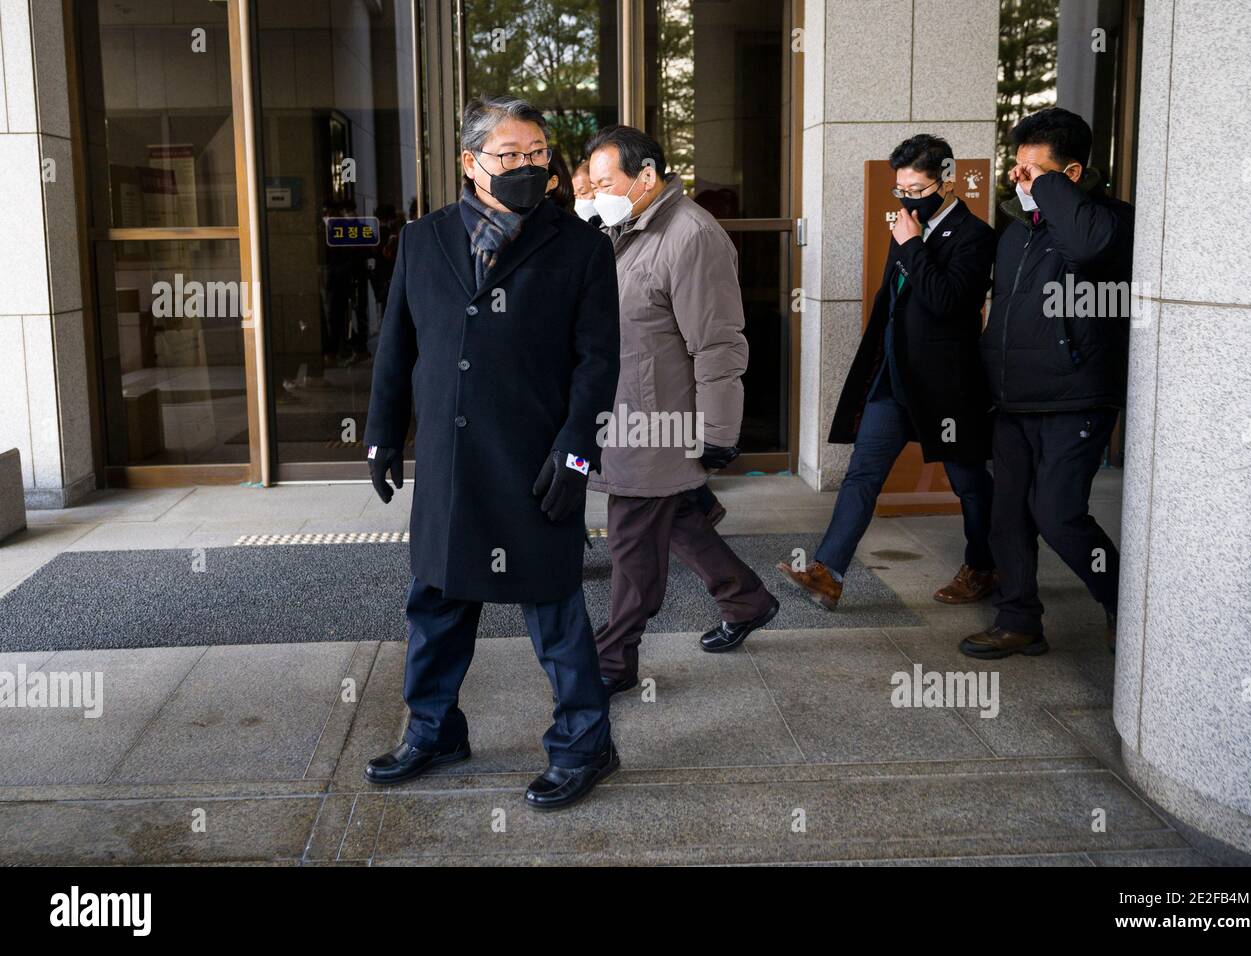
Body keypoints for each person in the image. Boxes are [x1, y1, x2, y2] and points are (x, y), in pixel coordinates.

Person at [363, 96, 622, 810]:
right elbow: (398, 348)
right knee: (437, 602)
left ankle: (585, 743)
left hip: (534, 461)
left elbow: (598, 364)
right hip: (450, 464)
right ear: (470, 162)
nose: (529, 167)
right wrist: (384, 433)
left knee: (554, 608)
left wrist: (576, 455)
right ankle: (434, 729)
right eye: (511, 155)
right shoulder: (422, 241)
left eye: (539, 154)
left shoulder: (580, 247)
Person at [584, 124, 780, 696]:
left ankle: (613, 659)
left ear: (645, 176)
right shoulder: (630, 226)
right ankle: (747, 601)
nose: (597, 194)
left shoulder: (691, 236)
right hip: (627, 411)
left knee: (631, 538)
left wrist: (718, 433)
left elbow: (717, 344)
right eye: (592, 185)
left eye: (604, 182)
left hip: (657, 423)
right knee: (678, 521)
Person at [778, 135, 997, 610]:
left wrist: (912, 244)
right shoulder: (906, 225)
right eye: (901, 188)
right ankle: (828, 572)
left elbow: (947, 302)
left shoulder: (975, 236)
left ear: (948, 179)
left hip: (946, 387)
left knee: (969, 483)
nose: (907, 198)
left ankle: (983, 565)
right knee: (863, 474)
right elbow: (893, 304)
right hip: (893, 378)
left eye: (918, 189)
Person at [961, 107, 1133, 659]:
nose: (1018, 178)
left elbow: (1086, 248)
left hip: (1075, 397)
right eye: (1016, 167)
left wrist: (1052, 189)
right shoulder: (1020, 234)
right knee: (1006, 517)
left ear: (1071, 175)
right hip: (1013, 400)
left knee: (1057, 514)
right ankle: (1019, 621)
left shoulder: (1109, 222)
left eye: (1033, 170)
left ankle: (1124, 606)